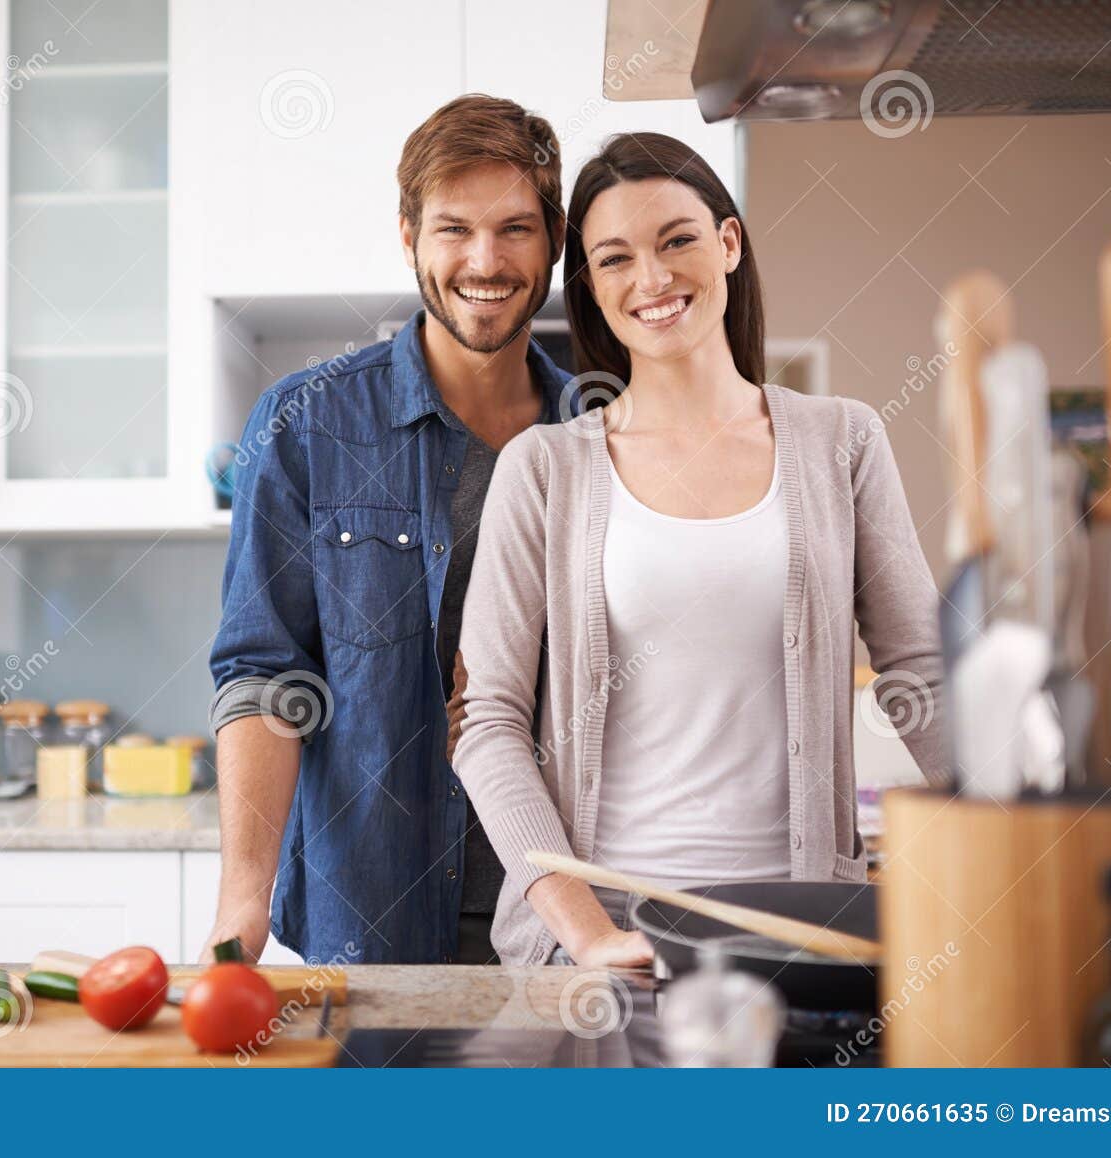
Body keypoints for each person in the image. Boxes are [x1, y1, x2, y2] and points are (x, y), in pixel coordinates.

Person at [452, 132, 949, 968]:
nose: (651, 279)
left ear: (728, 242)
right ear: (594, 289)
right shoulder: (544, 469)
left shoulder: (843, 441)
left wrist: (1025, 846)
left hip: (803, 931)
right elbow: (485, 723)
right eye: (614, 259)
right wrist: (588, 934)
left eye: (676, 239)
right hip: (603, 940)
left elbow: (922, 673)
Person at [205, 95, 574, 964]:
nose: (485, 261)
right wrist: (240, 904)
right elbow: (263, 674)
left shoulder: (600, 433)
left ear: (554, 240)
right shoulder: (304, 424)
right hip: (367, 919)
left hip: (562, 924)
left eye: (516, 228)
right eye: (454, 228)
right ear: (408, 234)